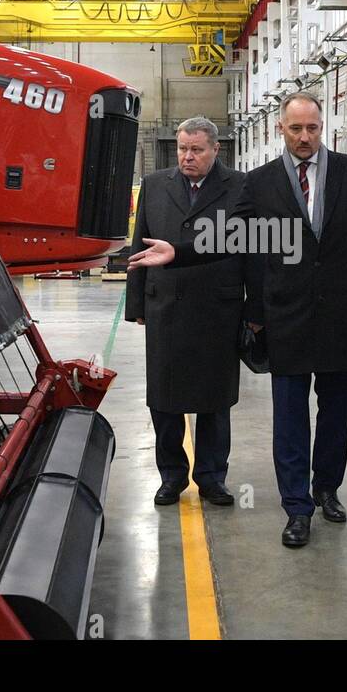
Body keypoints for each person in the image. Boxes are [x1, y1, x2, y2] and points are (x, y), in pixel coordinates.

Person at [128, 93, 347, 548]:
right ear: (281, 129)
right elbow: (230, 237)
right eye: (296, 129)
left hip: (339, 315)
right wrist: (180, 252)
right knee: (290, 419)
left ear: (322, 126)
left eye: (312, 128)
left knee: (336, 415)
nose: (305, 137)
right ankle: (297, 507)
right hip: (286, 317)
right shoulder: (261, 182)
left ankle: (327, 489)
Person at [125, 118, 246, 507]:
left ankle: (212, 477)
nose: (187, 157)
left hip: (218, 308)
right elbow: (138, 245)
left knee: (216, 399)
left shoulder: (241, 187)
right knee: (164, 397)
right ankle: (171, 475)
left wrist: (255, 308)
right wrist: (137, 303)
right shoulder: (156, 185)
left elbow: (248, 247)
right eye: (182, 149)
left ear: (216, 150)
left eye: (196, 150)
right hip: (166, 306)